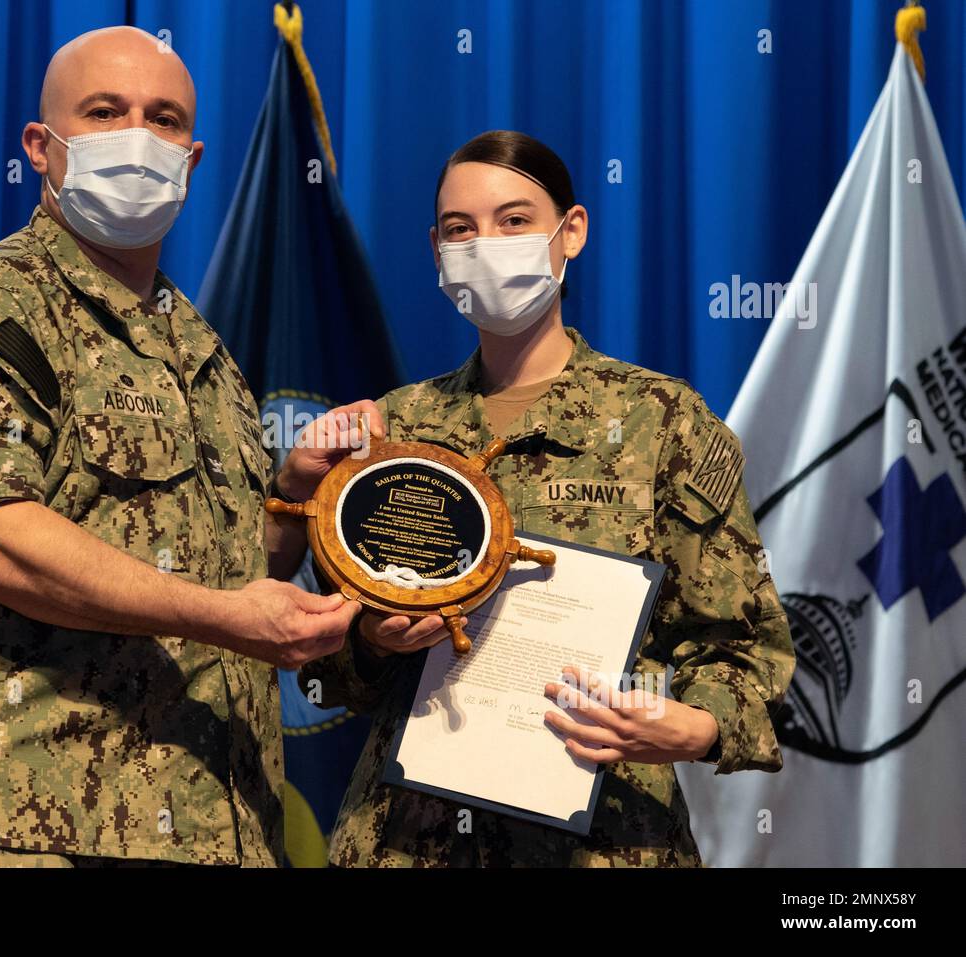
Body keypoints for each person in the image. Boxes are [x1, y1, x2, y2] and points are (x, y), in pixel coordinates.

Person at [0, 27, 380, 868]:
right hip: (5, 821)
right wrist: (231, 617)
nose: (137, 136)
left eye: (163, 119)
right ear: (40, 147)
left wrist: (291, 506)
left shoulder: (202, 351)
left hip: (201, 828)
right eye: (104, 111)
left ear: (192, 160)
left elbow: (226, 574)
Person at [298, 130, 796, 867]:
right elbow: (322, 666)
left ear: (572, 233)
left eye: (514, 220)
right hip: (408, 840)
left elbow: (747, 652)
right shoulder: (395, 427)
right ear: (436, 249)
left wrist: (689, 725)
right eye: (460, 229)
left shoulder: (663, 420)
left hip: (608, 840)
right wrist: (372, 642)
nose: (487, 244)